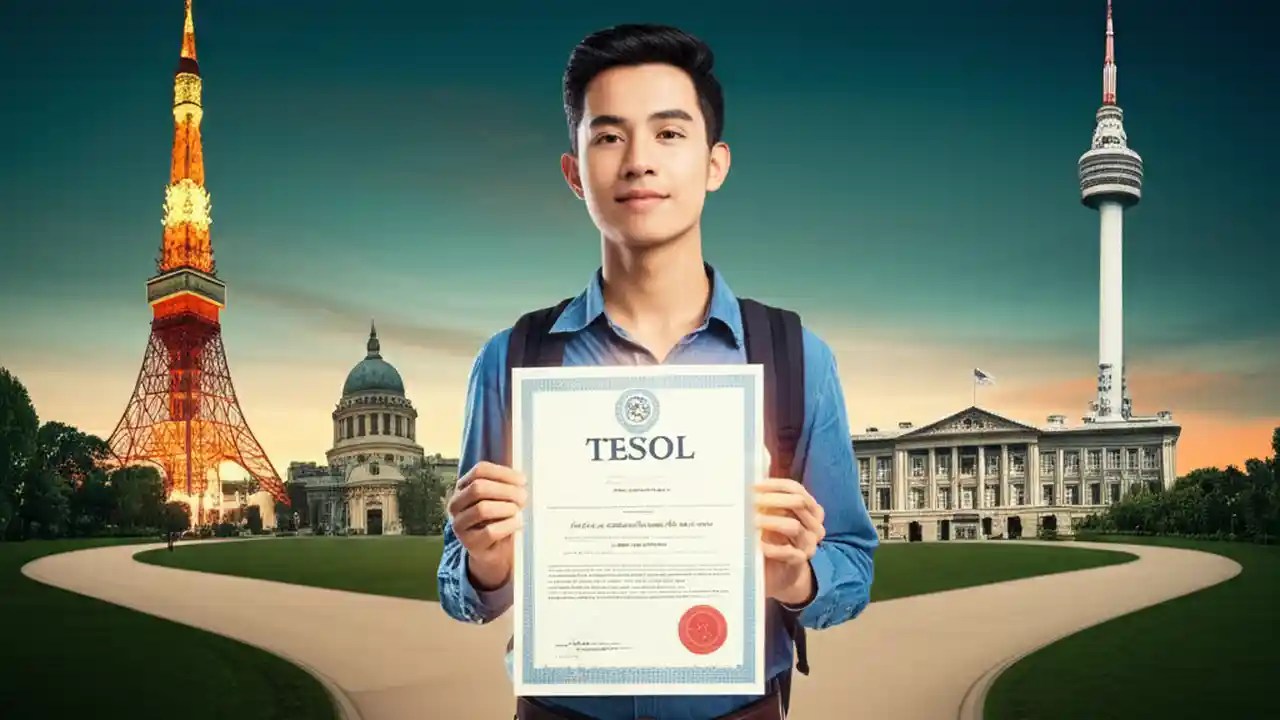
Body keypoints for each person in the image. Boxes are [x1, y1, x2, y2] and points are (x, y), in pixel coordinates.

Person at [436, 23, 879, 720]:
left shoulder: (796, 357)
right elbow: (459, 590)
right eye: (608, 136)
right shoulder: (511, 359)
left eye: (670, 134)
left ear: (715, 163)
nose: (639, 161)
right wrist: (487, 560)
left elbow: (852, 568)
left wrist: (796, 575)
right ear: (574, 172)